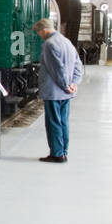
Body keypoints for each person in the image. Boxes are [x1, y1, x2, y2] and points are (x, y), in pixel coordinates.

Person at [34, 18, 84, 163]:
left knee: (53, 122)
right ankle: (63, 151)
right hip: (66, 93)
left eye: (39, 33)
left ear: (43, 30)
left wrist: (65, 85)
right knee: (63, 122)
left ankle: (56, 154)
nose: (39, 35)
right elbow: (78, 65)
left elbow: (56, 68)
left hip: (54, 92)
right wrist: (74, 83)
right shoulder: (66, 42)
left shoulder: (49, 44)